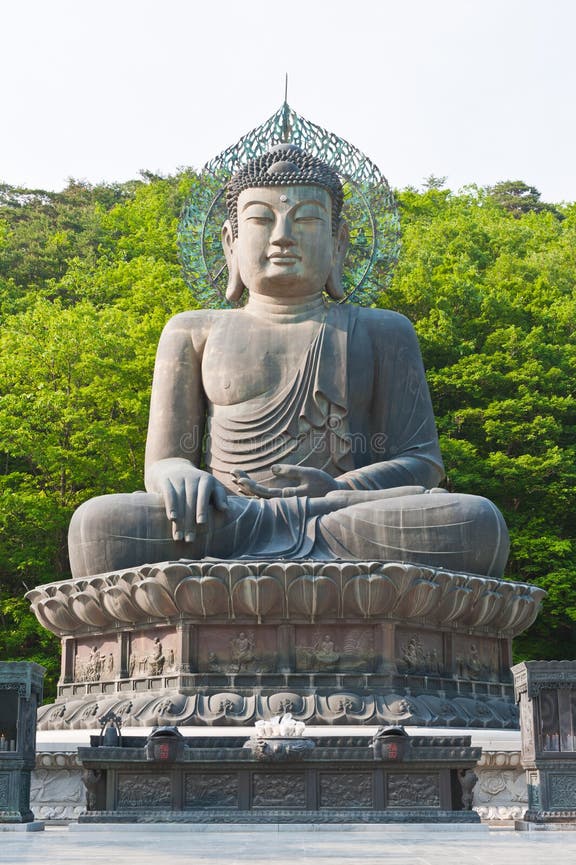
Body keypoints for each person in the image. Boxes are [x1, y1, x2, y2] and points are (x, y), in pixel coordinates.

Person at [69, 145, 509, 579]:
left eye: (308, 219)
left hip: (340, 514)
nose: (283, 235)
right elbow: (164, 461)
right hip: (230, 516)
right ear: (230, 242)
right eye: (261, 218)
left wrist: (341, 489)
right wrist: (179, 475)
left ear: (339, 245)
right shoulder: (192, 331)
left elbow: (422, 461)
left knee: (474, 521)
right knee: (100, 525)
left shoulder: (383, 330)